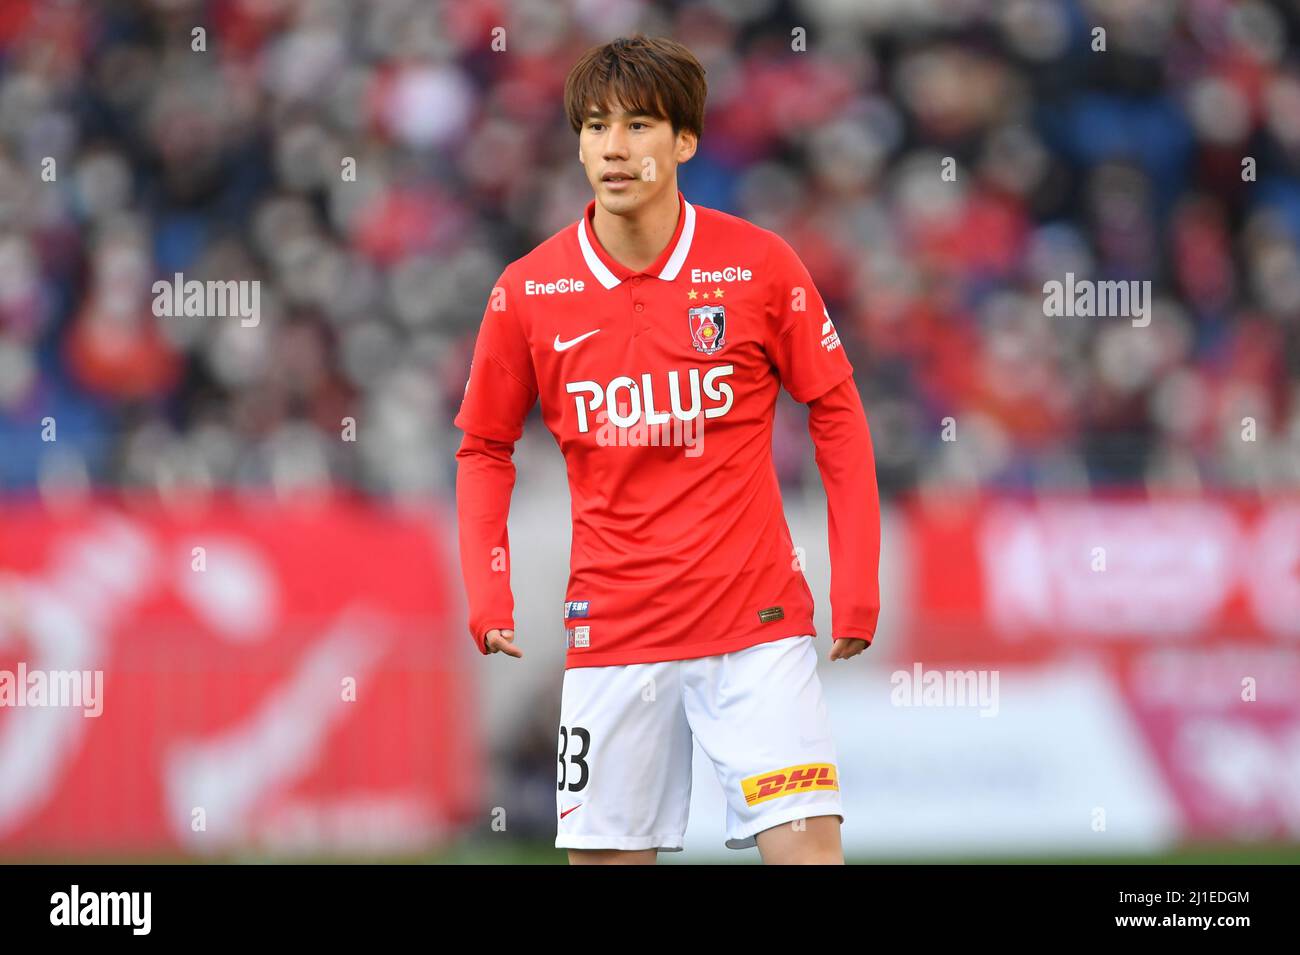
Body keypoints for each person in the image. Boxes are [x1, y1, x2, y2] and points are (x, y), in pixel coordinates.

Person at [454, 34, 880, 865]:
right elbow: (483, 448)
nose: (613, 147)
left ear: (684, 141)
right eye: (594, 126)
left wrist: (855, 582)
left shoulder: (760, 265)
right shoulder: (528, 290)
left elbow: (837, 412)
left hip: (757, 629)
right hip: (613, 635)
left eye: (639, 124)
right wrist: (487, 589)